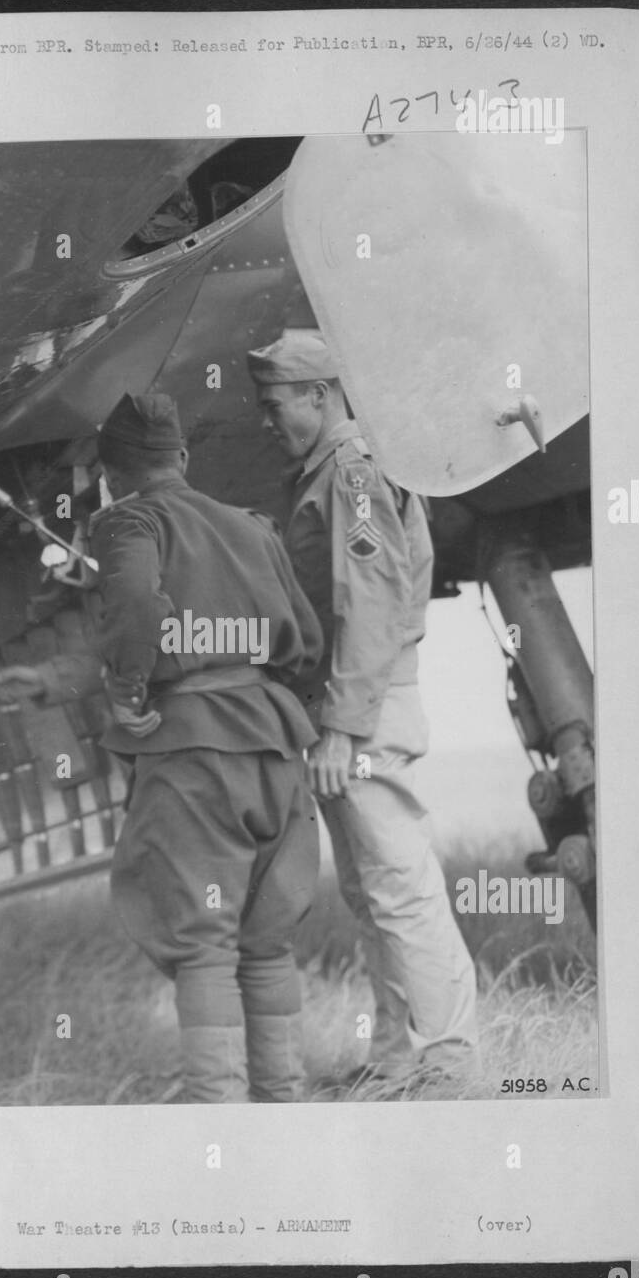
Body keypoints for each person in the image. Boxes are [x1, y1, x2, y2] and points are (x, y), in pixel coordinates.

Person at [246, 329, 481, 1091]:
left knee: (399, 887)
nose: (265, 419)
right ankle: (397, 1056)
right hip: (348, 712)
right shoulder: (325, 476)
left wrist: (342, 729)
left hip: (364, 712)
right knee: (372, 892)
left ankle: (447, 1058)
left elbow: (372, 607)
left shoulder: (350, 475)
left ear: (319, 396)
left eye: (274, 404)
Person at [86, 391, 324, 1103]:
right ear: (183, 459)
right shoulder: (254, 530)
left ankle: (216, 1113)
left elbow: (133, 605)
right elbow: (306, 640)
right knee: (267, 937)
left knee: (202, 942)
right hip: (278, 746)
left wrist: (127, 692)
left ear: (112, 473)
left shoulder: (129, 519)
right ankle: (282, 1102)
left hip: (195, 749)